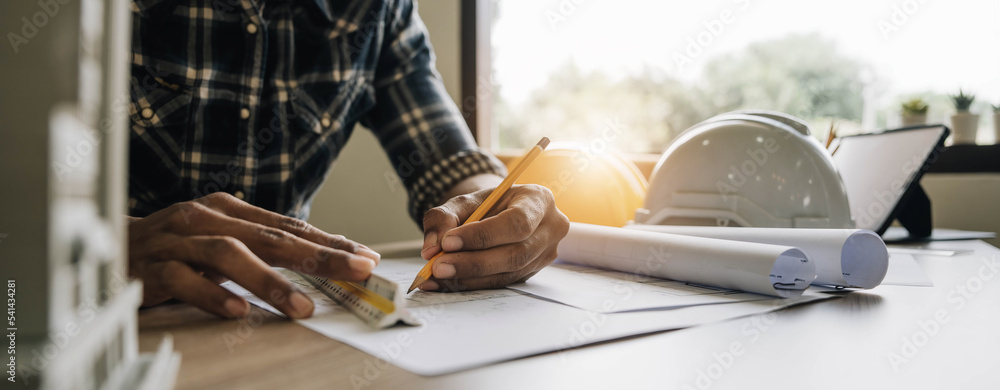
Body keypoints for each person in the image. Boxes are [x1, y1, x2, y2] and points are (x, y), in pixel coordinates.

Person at [126, 0, 569, 319]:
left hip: (283, 323)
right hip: (106, 318)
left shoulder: (380, 10)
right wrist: (108, 246)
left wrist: (496, 208)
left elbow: (447, 160)